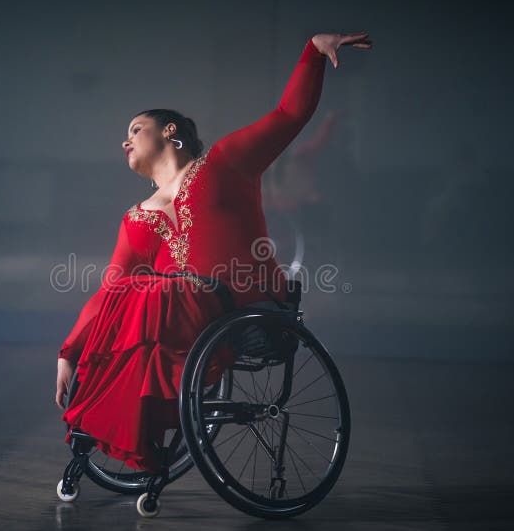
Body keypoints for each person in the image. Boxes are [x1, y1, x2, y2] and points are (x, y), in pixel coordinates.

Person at [55, 32, 372, 472]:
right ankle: (131, 432)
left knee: (150, 293)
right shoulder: (138, 217)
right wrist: (69, 351)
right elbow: (113, 287)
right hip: (184, 315)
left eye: (135, 130)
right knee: (131, 292)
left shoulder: (224, 163)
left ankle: (139, 425)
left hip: (245, 300)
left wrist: (314, 53)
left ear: (170, 131)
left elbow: (289, 114)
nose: (125, 141)